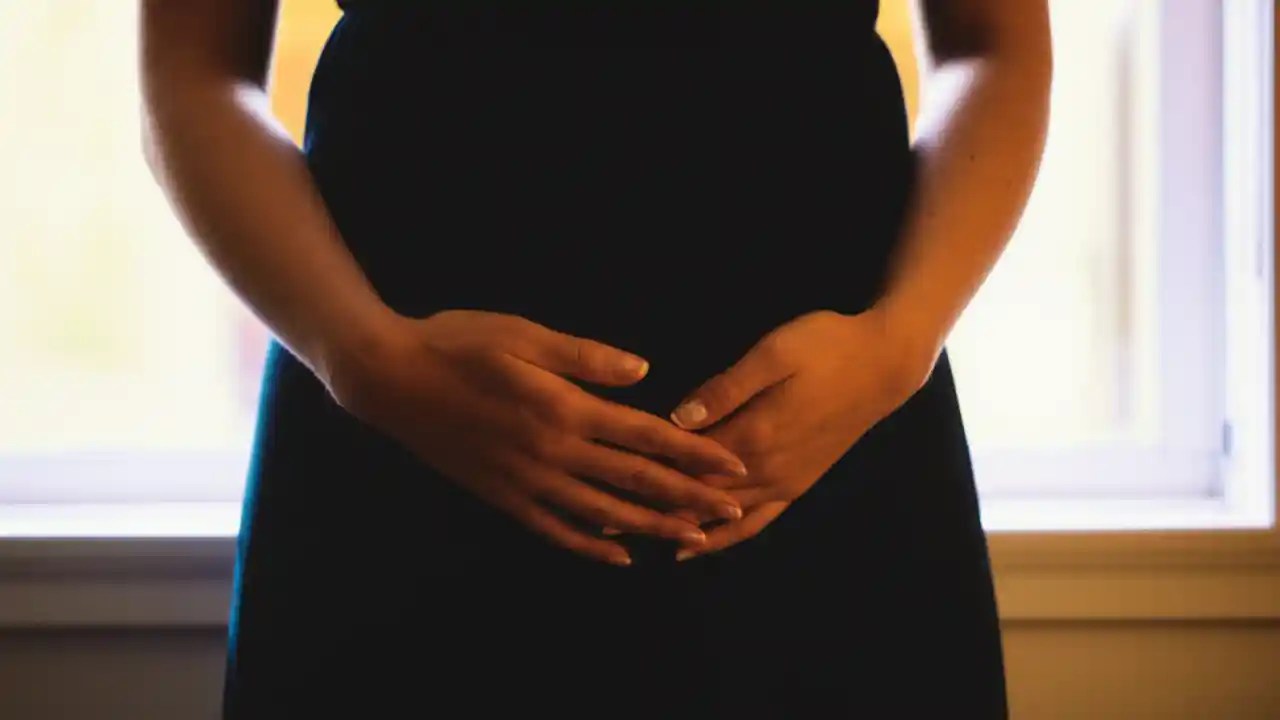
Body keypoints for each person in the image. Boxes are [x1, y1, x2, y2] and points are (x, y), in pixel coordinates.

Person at [141, 1, 1051, 717]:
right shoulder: (383, 385)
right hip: (406, 444)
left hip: (830, 450)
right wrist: (366, 358)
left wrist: (898, 344)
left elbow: (994, 41)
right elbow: (192, 68)